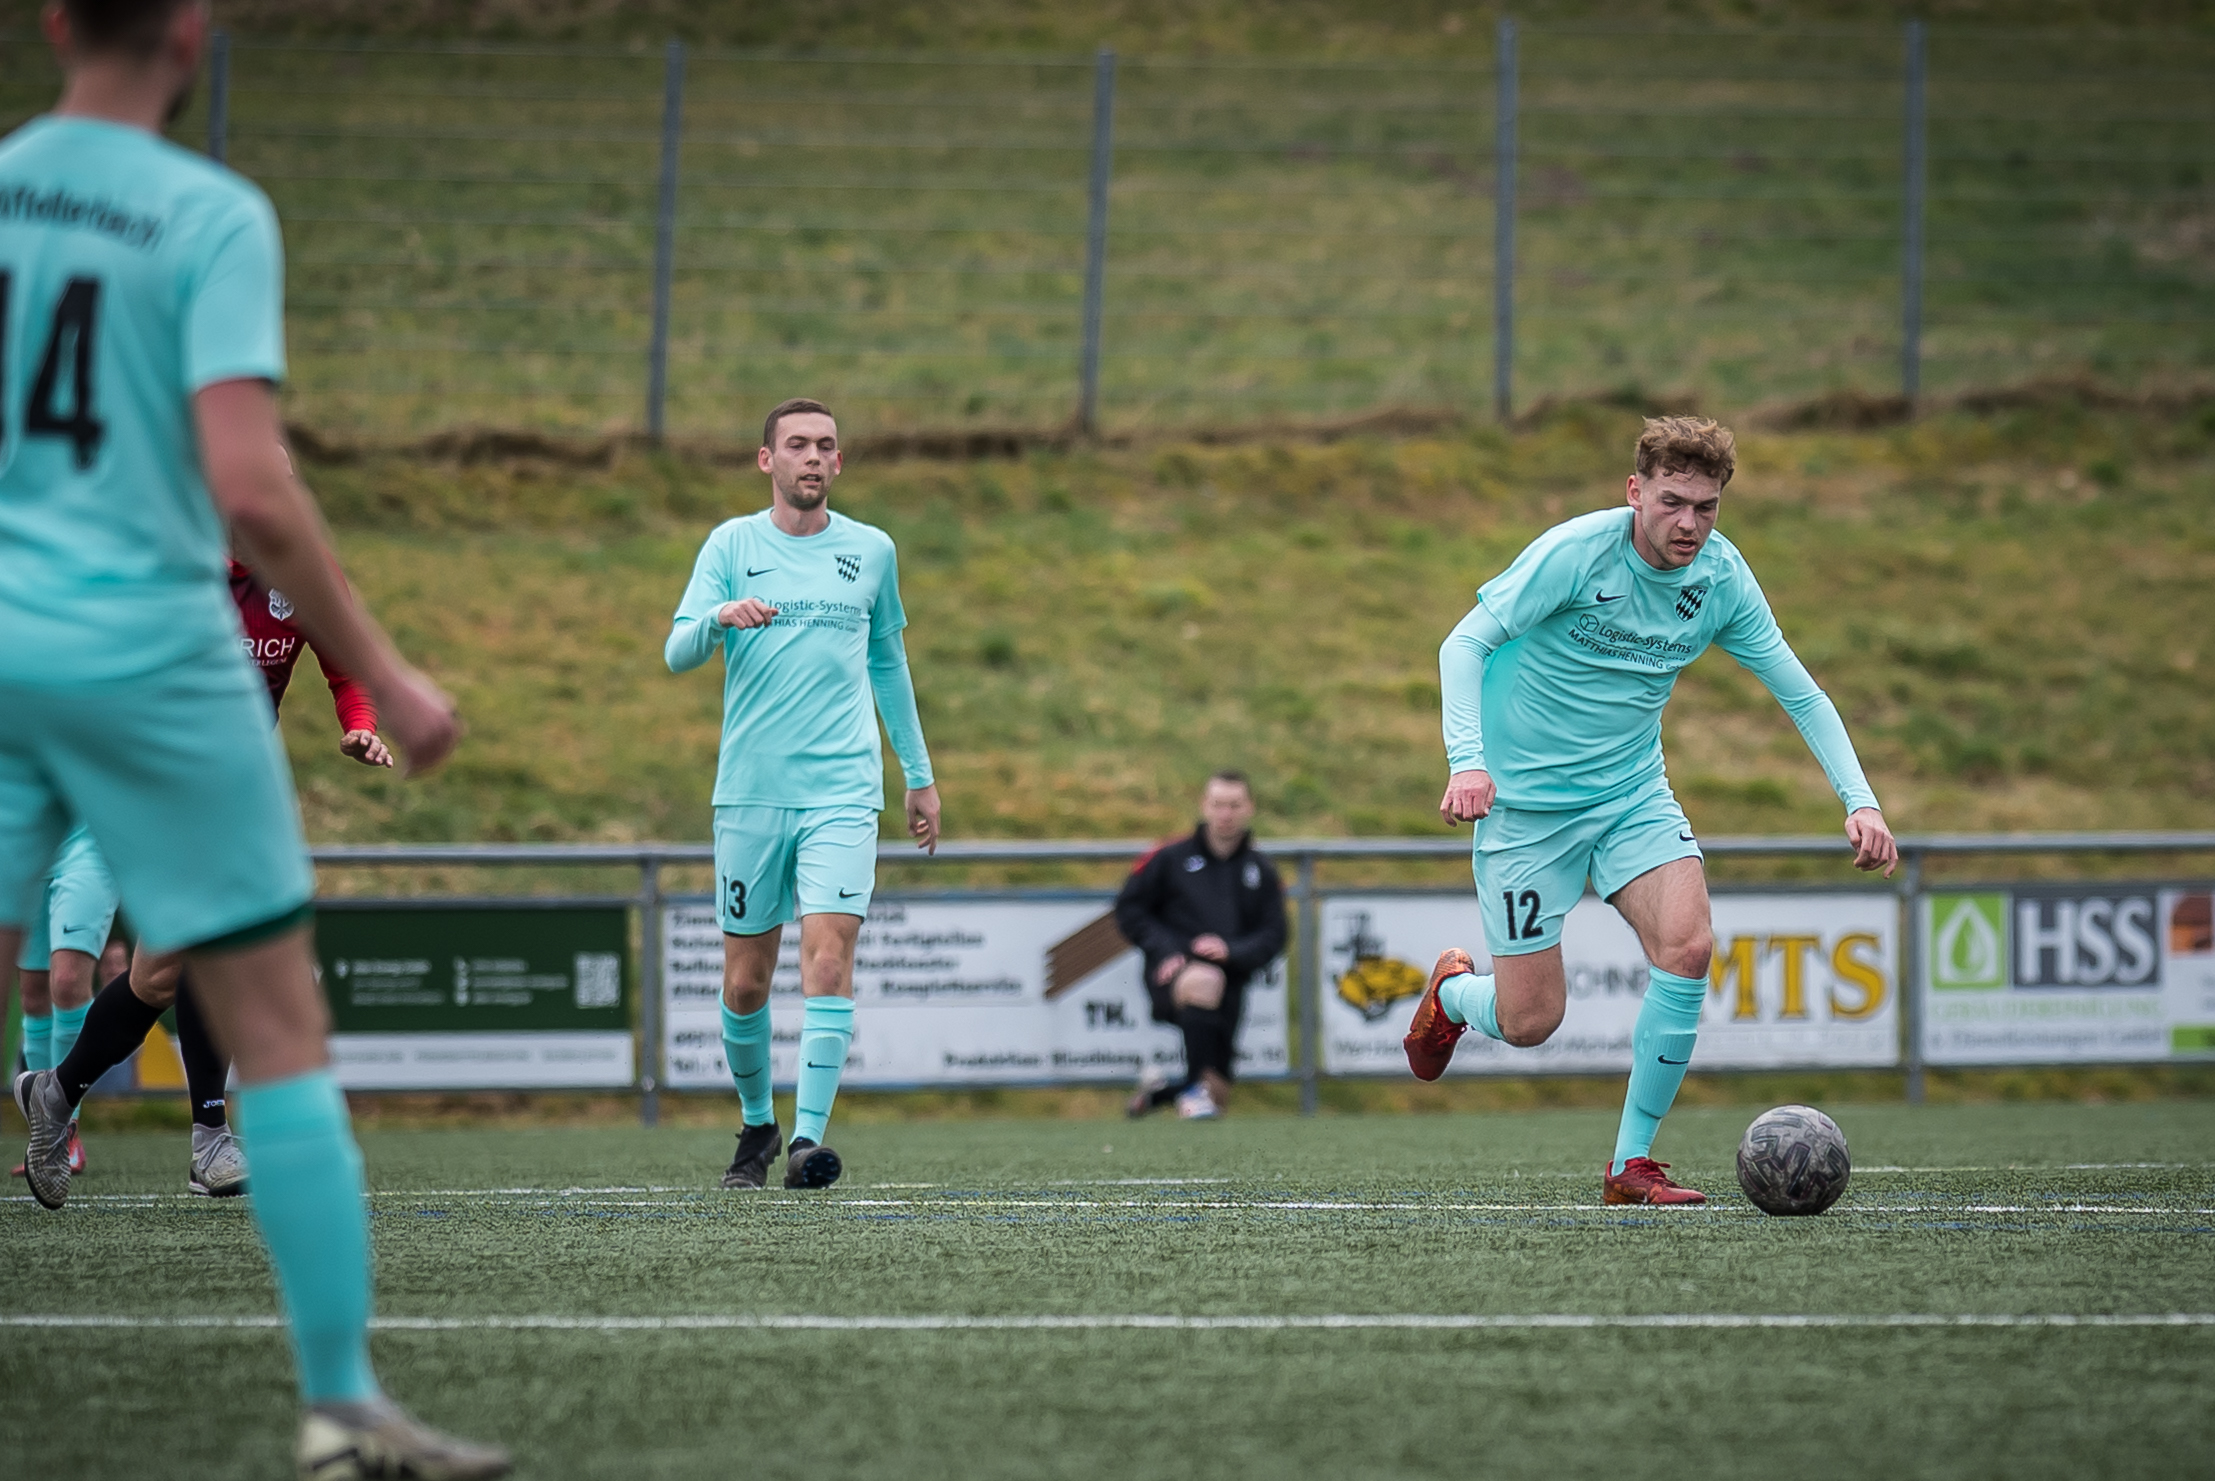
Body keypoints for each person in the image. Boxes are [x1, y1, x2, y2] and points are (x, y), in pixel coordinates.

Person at [1, 4, 506, 1475]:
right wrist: (389, 677)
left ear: (53, 23)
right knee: (278, 1026)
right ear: (191, 33)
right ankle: (341, 1407)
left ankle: (72, 1093)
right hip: (152, 655)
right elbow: (251, 486)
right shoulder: (210, 212)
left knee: (155, 966)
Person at [1404, 415, 1897, 1205]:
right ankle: (1453, 994)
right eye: (1672, 502)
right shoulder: (1576, 553)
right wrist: (1467, 761)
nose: (1688, 523)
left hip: (1629, 796)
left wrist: (1860, 800)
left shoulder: (1721, 581)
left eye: (1706, 507)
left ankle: (1629, 1165)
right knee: (1531, 1020)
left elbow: (1799, 692)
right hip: (1526, 810)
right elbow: (1461, 644)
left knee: (1689, 946)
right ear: (1634, 491)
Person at [36, 553, 393, 1200]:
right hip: (159, 770)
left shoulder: (301, 566)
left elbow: (346, 668)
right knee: (215, 940)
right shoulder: (171, 562)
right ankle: (209, 1139)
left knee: (158, 975)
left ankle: (56, 1093)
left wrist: (360, 727)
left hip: (238, 781)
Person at [666, 397, 941, 1191]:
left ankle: (807, 1141)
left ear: (839, 461)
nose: (812, 456)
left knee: (829, 957)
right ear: (768, 460)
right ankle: (758, 1124)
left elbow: (887, 662)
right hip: (751, 793)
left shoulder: (872, 550)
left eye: (825, 444)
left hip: (843, 792)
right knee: (745, 981)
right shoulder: (730, 544)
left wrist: (917, 773)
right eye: (796, 444)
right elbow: (677, 650)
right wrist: (719, 617)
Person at [1114, 771, 1288, 1120]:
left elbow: (1275, 934)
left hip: (1232, 981)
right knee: (1204, 980)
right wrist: (1167, 950)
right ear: (1204, 806)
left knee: (1216, 1096)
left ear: (1249, 808)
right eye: (1219, 804)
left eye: (1234, 805)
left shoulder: (1260, 870)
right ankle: (1192, 1091)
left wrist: (1231, 951)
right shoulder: (1169, 858)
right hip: (1175, 972)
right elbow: (1130, 909)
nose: (1226, 814)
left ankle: (1163, 1092)